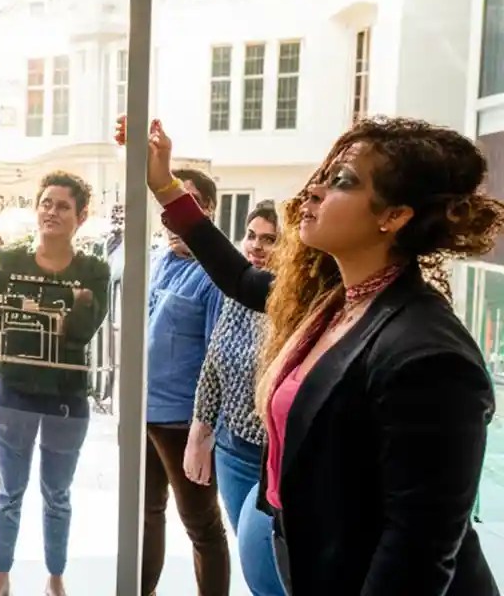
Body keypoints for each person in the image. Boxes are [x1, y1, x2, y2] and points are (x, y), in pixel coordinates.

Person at [119, 115, 501, 594]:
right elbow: (239, 278)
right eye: (324, 176)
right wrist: (165, 186)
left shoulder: (430, 357)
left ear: (394, 216)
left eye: (342, 181)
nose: (314, 191)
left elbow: (416, 554)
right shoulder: (334, 301)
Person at [0, 171, 110, 596]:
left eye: (63, 206)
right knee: (9, 492)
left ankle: (55, 578)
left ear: (81, 216)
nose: (51, 212)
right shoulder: (8, 261)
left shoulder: (94, 269)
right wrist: (65, 307)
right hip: (13, 392)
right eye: (46, 203)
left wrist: (45, 313)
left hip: (67, 396)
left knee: (57, 494)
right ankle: (1, 578)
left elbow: (81, 332)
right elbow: (5, 324)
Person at [181, 201, 283, 596]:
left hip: (275, 457)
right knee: (253, 562)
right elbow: (214, 361)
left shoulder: (293, 302)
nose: (256, 246)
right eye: (251, 235)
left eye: (269, 239)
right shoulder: (238, 294)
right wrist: (200, 430)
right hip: (232, 449)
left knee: (276, 568)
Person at [142, 166, 230, 596]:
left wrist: (205, 430)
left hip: (183, 422)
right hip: (143, 411)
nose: (173, 219)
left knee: (201, 525)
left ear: (207, 211)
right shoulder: (160, 263)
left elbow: (218, 357)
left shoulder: (217, 274)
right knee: (145, 514)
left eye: (186, 204)